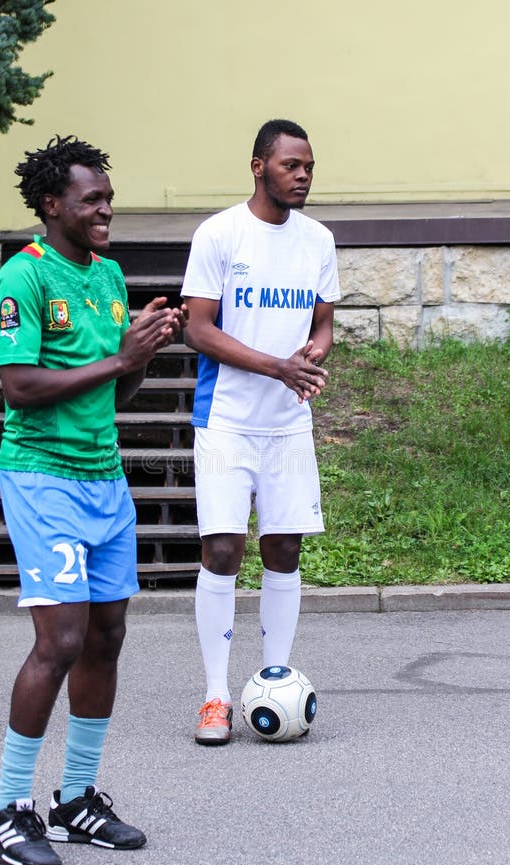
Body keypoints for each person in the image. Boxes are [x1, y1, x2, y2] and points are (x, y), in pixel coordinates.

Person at [0, 135, 187, 865]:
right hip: (42, 477)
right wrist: (121, 357)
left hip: (105, 479)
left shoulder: (108, 278)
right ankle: (6, 809)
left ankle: (75, 799)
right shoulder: (22, 280)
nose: (106, 209)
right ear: (52, 205)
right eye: (91, 199)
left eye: (107, 196)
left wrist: (140, 355)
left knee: (106, 637)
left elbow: (114, 390)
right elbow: (22, 387)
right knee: (60, 640)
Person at [181, 119, 340, 745]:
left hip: (288, 425)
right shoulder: (219, 233)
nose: (302, 175)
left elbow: (325, 322)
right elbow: (198, 328)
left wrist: (313, 354)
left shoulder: (319, 240)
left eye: (308, 166)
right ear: (258, 166)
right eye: (290, 165)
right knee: (223, 551)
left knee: (285, 549)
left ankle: (274, 677)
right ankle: (216, 697)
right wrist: (277, 365)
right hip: (225, 422)